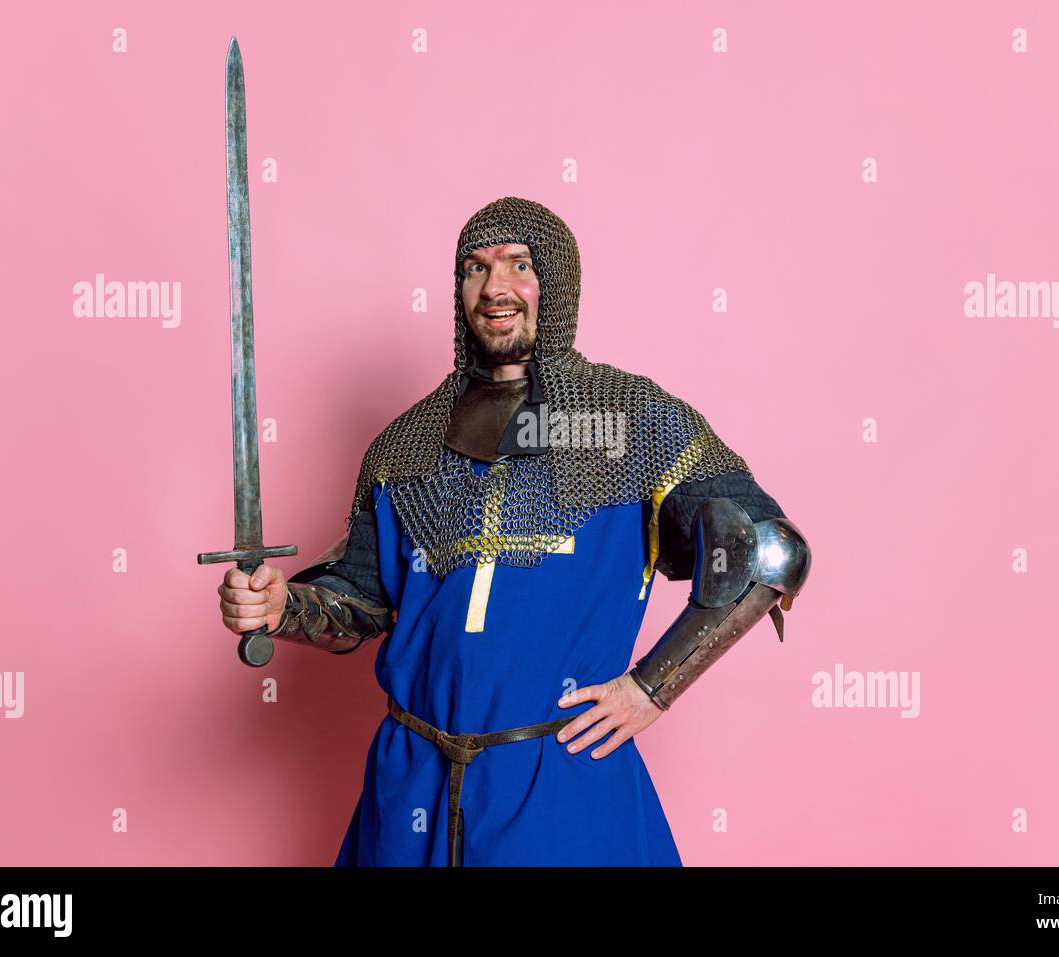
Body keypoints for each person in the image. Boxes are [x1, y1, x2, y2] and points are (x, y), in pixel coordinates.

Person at [218, 197, 811, 866]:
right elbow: (360, 601)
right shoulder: (407, 444)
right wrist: (282, 606)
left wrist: (652, 687)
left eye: (517, 266)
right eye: (475, 268)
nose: (494, 288)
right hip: (413, 779)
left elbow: (770, 551)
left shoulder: (627, 422)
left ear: (555, 284)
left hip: (560, 777)